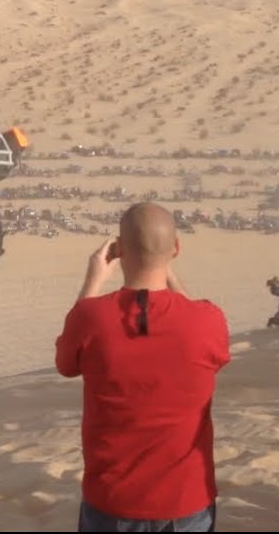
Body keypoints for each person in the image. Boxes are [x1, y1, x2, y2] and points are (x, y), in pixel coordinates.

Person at [55, 201, 231, 532]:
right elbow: (211, 346)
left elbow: (66, 363)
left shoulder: (90, 317)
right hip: (187, 502)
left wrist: (92, 282)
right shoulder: (207, 320)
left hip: (112, 502)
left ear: (119, 250)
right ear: (176, 248)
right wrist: (164, 268)